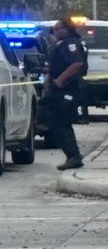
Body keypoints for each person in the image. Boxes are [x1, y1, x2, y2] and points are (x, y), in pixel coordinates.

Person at [44, 17, 87, 170]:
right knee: (56, 122)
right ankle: (72, 155)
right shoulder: (61, 44)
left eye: (56, 29)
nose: (54, 32)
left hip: (68, 89)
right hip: (60, 89)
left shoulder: (70, 43)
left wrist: (61, 79)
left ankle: (73, 156)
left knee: (61, 122)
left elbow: (77, 63)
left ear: (65, 29)